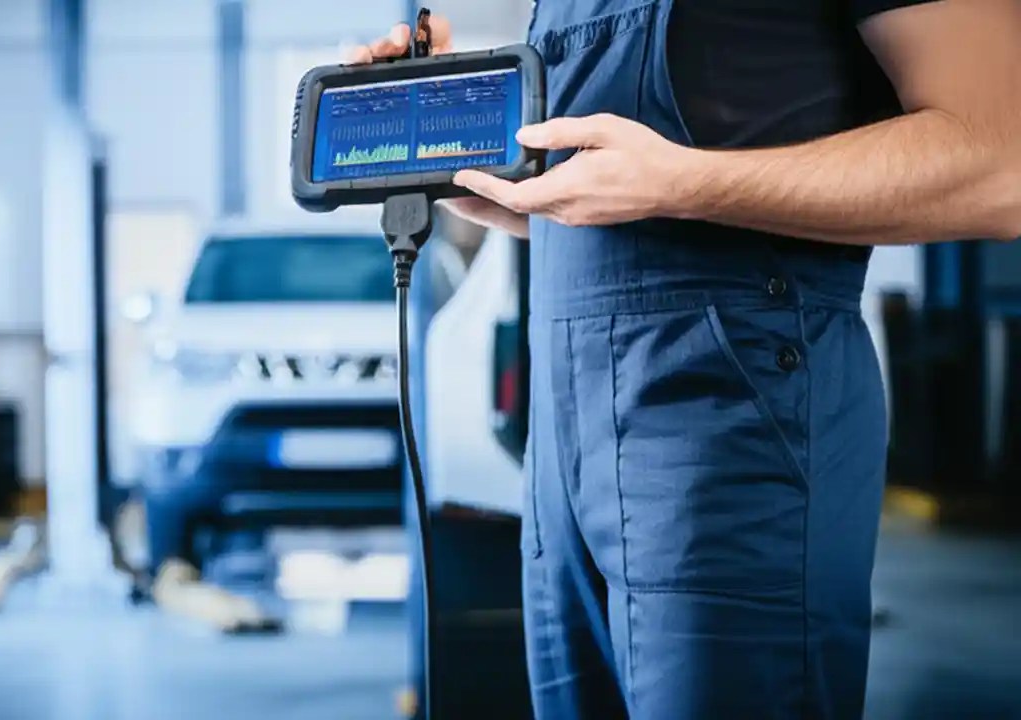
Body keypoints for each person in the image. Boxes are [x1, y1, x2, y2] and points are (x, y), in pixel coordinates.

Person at [348, 2, 1020, 718]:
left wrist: (685, 182)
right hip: (565, 453)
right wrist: (486, 173)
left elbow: (1000, 162)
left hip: (729, 430)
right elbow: (623, 195)